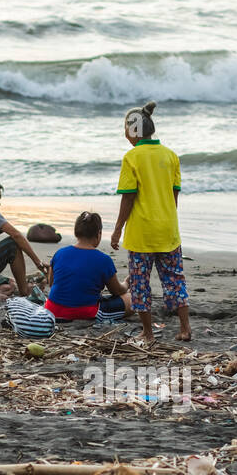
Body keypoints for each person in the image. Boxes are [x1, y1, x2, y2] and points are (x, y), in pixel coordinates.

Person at [109, 101, 189, 343]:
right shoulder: (171, 156)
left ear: (133, 131)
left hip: (141, 234)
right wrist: (166, 219)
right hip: (168, 230)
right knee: (175, 280)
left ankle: (148, 333)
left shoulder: (132, 157)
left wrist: (117, 229)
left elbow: (128, 198)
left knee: (140, 283)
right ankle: (185, 328)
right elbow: (174, 196)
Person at [45, 211, 129, 323]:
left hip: (53, 310)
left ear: (76, 232)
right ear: (99, 233)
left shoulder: (59, 253)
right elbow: (117, 291)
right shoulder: (104, 259)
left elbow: (51, 284)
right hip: (85, 312)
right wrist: (127, 283)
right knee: (132, 299)